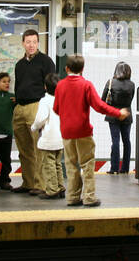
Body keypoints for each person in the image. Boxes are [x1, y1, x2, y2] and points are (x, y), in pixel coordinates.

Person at [53, 54, 127, 208]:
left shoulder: (60, 85)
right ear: (82, 69)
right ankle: (89, 197)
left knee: (71, 165)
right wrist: (118, 113)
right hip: (83, 131)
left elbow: (56, 109)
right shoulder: (86, 85)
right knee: (87, 164)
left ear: (66, 69)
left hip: (66, 132)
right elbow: (99, 106)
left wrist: (67, 118)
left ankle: (72, 197)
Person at [11, 29, 56, 195]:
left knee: (39, 147)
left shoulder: (46, 61)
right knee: (24, 149)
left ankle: (40, 185)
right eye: (28, 42)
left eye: (34, 42)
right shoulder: (19, 64)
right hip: (19, 108)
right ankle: (28, 182)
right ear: (23, 43)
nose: (31, 45)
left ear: (38, 43)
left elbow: (52, 85)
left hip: (36, 106)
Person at [31, 72, 66, 200]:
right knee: (57, 164)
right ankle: (61, 187)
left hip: (48, 138)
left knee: (48, 164)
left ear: (45, 86)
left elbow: (40, 119)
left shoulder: (45, 101)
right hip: (60, 138)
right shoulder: (63, 99)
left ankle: (52, 190)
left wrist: (33, 127)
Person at [101, 61, 135, 174]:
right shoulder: (132, 84)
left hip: (113, 115)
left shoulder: (111, 82)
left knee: (115, 141)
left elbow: (102, 100)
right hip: (127, 114)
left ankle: (114, 168)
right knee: (127, 141)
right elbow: (131, 99)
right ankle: (125, 168)